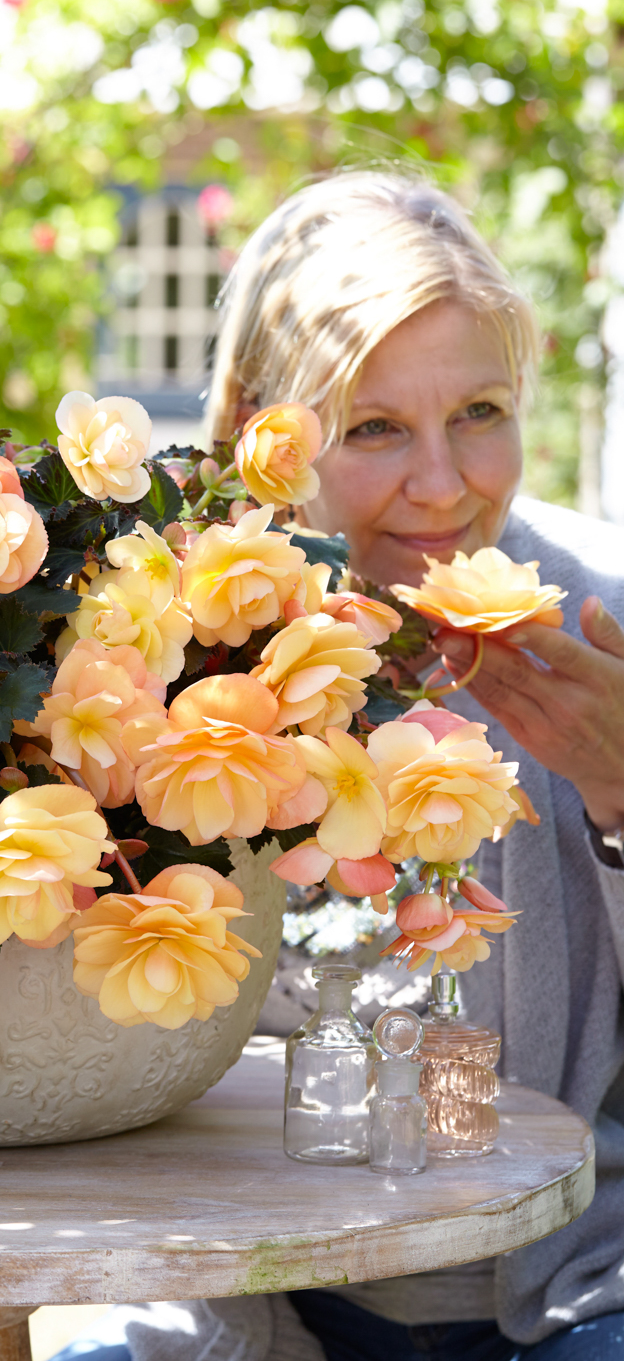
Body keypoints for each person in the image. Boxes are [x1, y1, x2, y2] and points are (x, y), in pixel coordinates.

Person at [50, 172, 624, 1361]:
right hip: (255, 1305)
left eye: (479, 411)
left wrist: (623, 794)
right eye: (374, 429)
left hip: (572, 1295)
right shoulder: (166, 655)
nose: (445, 485)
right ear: (259, 431)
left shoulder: (601, 629)